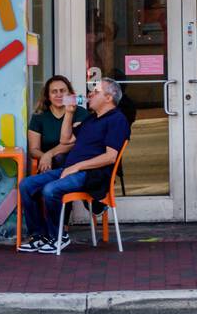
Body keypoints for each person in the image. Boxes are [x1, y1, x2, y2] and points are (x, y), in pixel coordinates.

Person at [18, 78, 130, 254]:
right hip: (71, 170)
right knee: (26, 185)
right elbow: (65, 140)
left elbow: (110, 157)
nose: (90, 94)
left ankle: (58, 236)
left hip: (92, 175)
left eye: (96, 92)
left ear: (108, 97)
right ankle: (39, 236)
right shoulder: (92, 119)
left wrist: (77, 167)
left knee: (50, 190)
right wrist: (69, 113)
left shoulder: (117, 119)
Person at [28, 75, 89, 172]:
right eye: (54, 91)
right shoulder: (39, 116)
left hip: (74, 165)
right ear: (48, 96)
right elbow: (33, 150)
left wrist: (49, 154)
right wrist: (45, 157)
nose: (59, 95)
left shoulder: (81, 113)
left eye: (62, 90)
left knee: (60, 157)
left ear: (69, 93)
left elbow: (74, 143)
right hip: (47, 166)